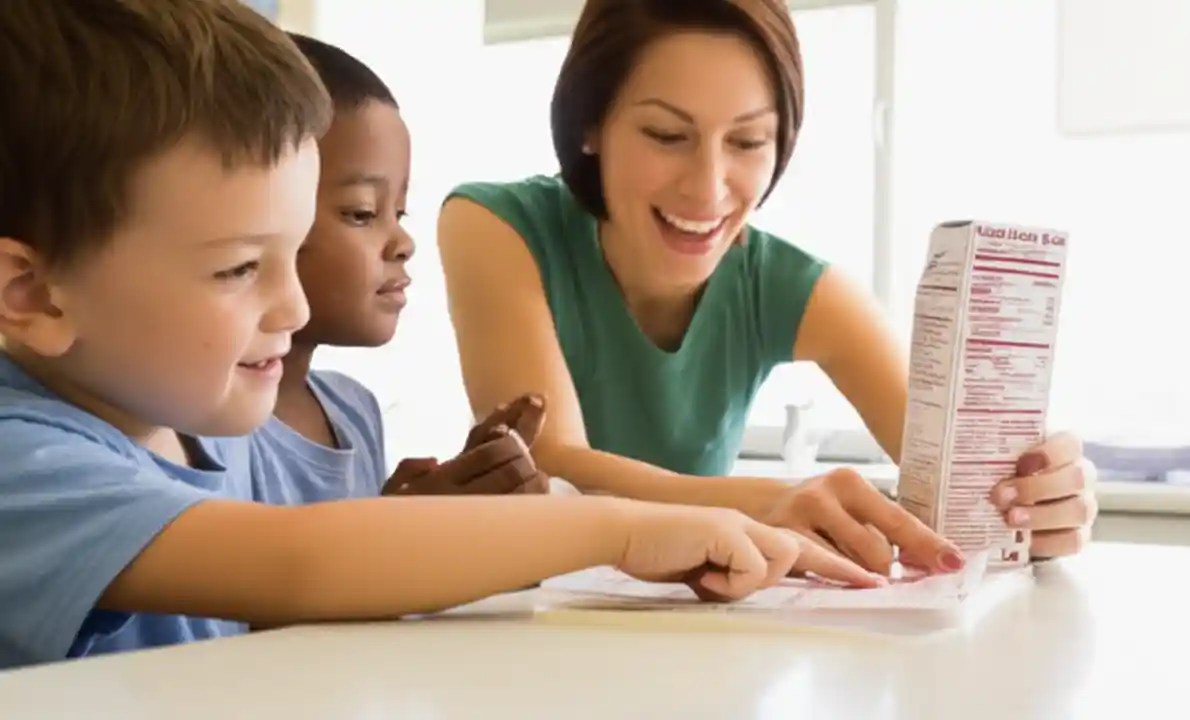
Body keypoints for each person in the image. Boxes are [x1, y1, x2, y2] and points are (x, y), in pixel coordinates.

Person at [0, 0, 869, 671]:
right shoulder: (23, 462)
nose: (295, 308)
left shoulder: (194, 422)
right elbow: (294, 564)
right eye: (237, 269)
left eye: (292, 252)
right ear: (31, 292)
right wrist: (620, 530)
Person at [437, 0, 1099, 572]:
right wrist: (771, 500)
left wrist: (1040, 502)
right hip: (532, 621)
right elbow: (550, 467)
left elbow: (968, 481)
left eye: (749, 141)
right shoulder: (494, 226)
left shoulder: (792, 285)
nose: (708, 186)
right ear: (589, 126)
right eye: (667, 135)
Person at [251, 32, 547, 505]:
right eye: (362, 213)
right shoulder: (208, 428)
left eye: (400, 213)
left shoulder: (353, 410)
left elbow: (362, 569)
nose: (403, 243)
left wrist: (447, 502)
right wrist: (404, 526)